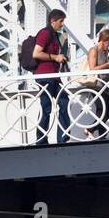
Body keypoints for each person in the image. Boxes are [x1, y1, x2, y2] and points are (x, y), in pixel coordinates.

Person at [32, 9, 70, 144]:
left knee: (64, 102)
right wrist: (56, 57)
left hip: (53, 76)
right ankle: (41, 140)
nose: (62, 24)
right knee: (46, 107)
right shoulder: (45, 33)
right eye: (61, 21)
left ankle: (63, 138)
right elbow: (36, 53)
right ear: (53, 21)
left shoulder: (53, 35)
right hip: (45, 76)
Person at [84, 28, 109, 138]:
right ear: (104, 40)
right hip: (97, 85)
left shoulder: (106, 52)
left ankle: (100, 134)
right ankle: (92, 130)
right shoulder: (93, 50)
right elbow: (93, 69)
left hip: (106, 84)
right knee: (102, 110)